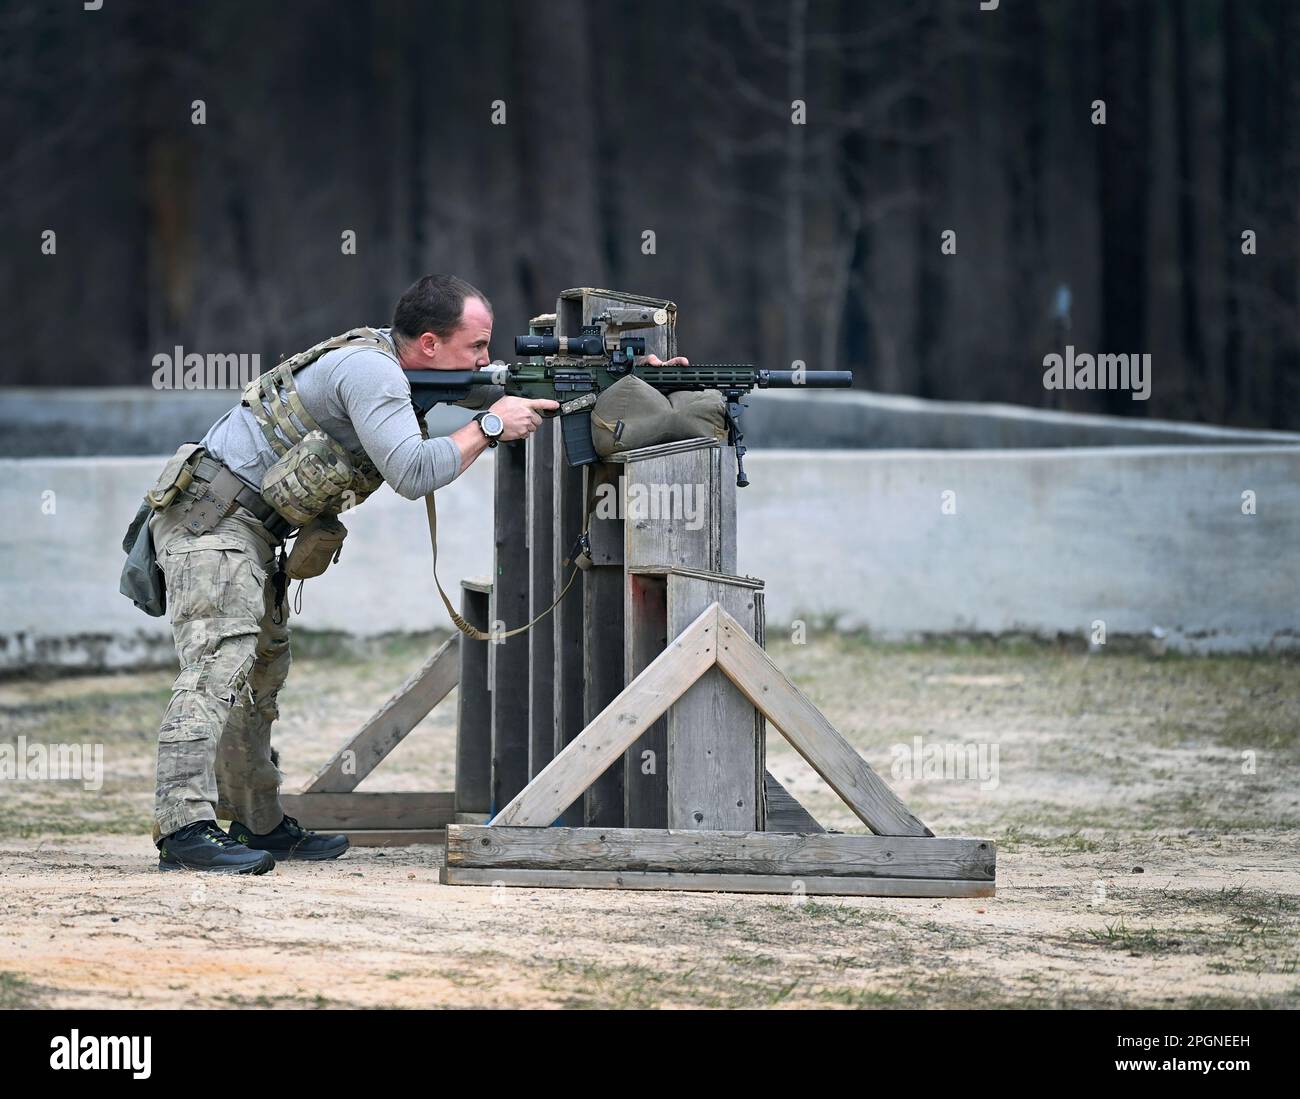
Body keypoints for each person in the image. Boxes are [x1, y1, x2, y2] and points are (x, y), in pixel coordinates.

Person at [147, 275, 556, 873]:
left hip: (245, 529)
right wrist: (490, 428)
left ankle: (258, 824)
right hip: (211, 523)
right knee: (216, 668)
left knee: (258, 680)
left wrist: (624, 383)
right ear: (429, 345)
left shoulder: (398, 367)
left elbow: (501, 389)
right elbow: (414, 472)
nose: (485, 359)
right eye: (476, 346)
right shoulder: (373, 373)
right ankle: (183, 830)